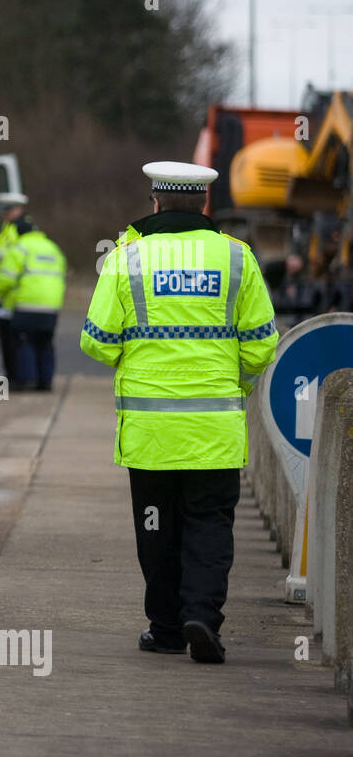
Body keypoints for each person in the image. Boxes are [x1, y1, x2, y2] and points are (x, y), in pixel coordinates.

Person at [80, 161, 278, 663]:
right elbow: (260, 346)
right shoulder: (237, 258)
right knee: (209, 524)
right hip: (214, 432)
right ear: (204, 204)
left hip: (150, 434)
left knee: (156, 527)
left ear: (156, 202)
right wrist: (232, 379)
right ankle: (202, 618)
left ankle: (166, 628)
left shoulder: (126, 259)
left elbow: (96, 342)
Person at [1, 223, 67, 390]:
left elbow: (6, 279)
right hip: (51, 305)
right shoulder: (52, 248)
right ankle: (45, 382)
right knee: (45, 342)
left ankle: (26, 380)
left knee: (24, 341)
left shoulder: (19, 248)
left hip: (26, 303)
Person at [0, 192, 30, 385]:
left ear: (18, 210)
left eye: (8, 209)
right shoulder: (8, 229)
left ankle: (18, 377)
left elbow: (13, 259)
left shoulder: (21, 230)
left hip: (15, 294)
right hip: (5, 294)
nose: (3, 213)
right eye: (3, 209)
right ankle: (12, 375)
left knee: (15, 341)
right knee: (7, 340)